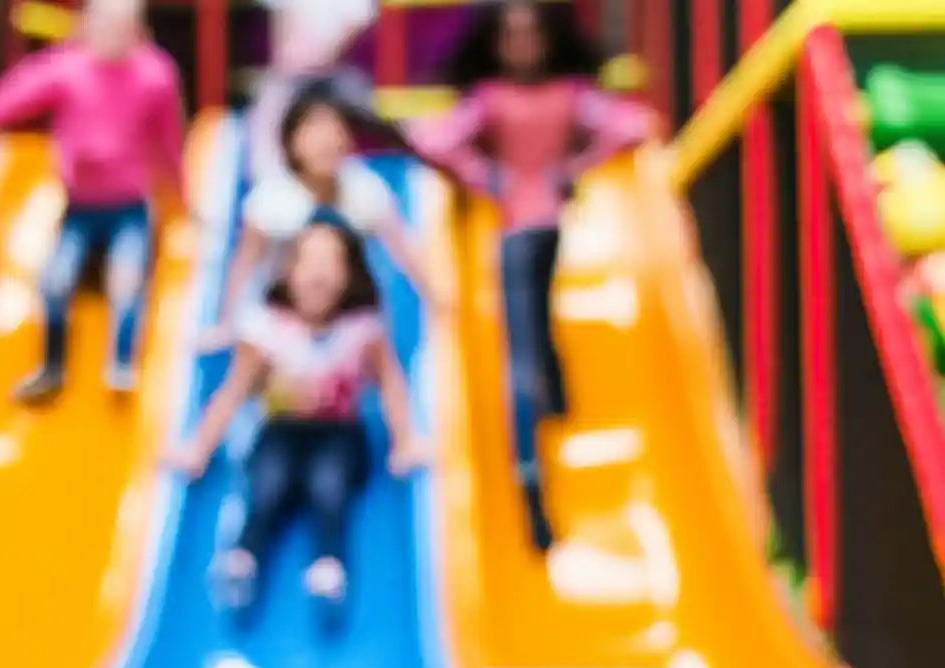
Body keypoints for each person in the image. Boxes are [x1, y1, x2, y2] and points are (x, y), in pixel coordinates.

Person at [411, 0, 649, 550]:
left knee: (530, 335)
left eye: (531, 34)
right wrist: (484, 175)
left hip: (537, 225)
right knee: (525, 343)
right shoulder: (492, 101)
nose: (522, 46)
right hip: (520, 228)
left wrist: (573, 168)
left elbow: (631, 126)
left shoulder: (567, 97)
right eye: (511, 35)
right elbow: (436, 140)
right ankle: (531, 471)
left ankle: (549, 409)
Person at [0, 0, 187, 401]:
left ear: (137, 31)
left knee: (128, 280)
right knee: (54, 281)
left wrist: (180, 199)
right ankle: (51, 367)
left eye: (120, 27)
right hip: (80, 207)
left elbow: (168, 144)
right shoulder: (68, 70)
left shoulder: (155, 76)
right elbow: (5, 102)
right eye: (101, 25)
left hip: (129, 207)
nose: (109, 36)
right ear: (86, 25)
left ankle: (121, 363)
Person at [169, 212, 425, 608]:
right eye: (308, 262)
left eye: (332, 263)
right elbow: (234, 391)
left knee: (330, 484)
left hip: (340, 433)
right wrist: (197, 449)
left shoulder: (362, 329)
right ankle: (245, 554)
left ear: (351, 273)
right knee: (268, 481)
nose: (319, 276)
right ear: (287, 270)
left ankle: (329, 561)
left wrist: (405, 441)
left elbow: (391, 382)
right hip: (281, 429)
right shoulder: (268, 328)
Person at [205, 87, 440, 350]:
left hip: (348, 321)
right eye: (314, 133)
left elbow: (405, 250)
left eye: (335, 132)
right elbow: (245, 263)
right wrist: (226, 323)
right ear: (291, 143)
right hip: (285, 322)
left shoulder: (364, 189)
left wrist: (438, 301)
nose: (327, 143)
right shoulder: (272, 199)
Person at [248, 0, 378, 180]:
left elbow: (353, 29)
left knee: (371, 111)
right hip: (289, 75)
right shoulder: (277, 96)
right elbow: (282, 29)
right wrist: (293, 61)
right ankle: (267, 175)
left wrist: (317, 58)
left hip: (337, 73)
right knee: (268, 110)